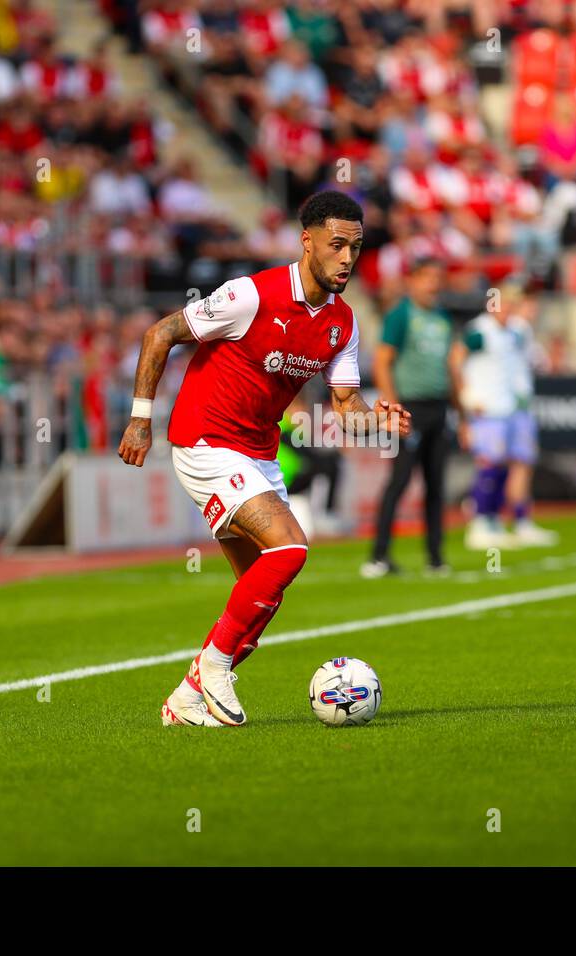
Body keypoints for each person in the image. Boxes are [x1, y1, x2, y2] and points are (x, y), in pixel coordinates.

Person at [118, 190, 410, 728]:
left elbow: (346, 405)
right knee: (292, 548)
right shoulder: (250, 295)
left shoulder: (343, 323)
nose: (347, 258)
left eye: (356, 247)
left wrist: (377, 421)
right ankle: (214, 666)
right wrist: (141, 419)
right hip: (204, 440)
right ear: (308, 241)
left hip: (257, 454)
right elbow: (160, 334)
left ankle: (185, 698)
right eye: (337, 245)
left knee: (262, 590)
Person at [362, 257, 455, 578]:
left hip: (439, 407)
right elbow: (382, 361)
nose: (433, 283)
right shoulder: (401, 314)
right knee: (399, 481)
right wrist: (394, 406)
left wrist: (461, 411)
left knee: (436, 484)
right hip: (409, 408)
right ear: (412, 280)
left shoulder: (442, 317)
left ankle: (435, 557)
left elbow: (449, 367)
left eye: (437, 276)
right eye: (426, 276)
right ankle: (378, 556)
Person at [450, 283, 557, 550]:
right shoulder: (480, 331)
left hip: (509, 405)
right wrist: (466, 395)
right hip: (487, 408)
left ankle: (501, 521)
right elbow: (455, 360)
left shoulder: (514, 331)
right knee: (489, 463)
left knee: (511, 464)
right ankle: (479, 522)